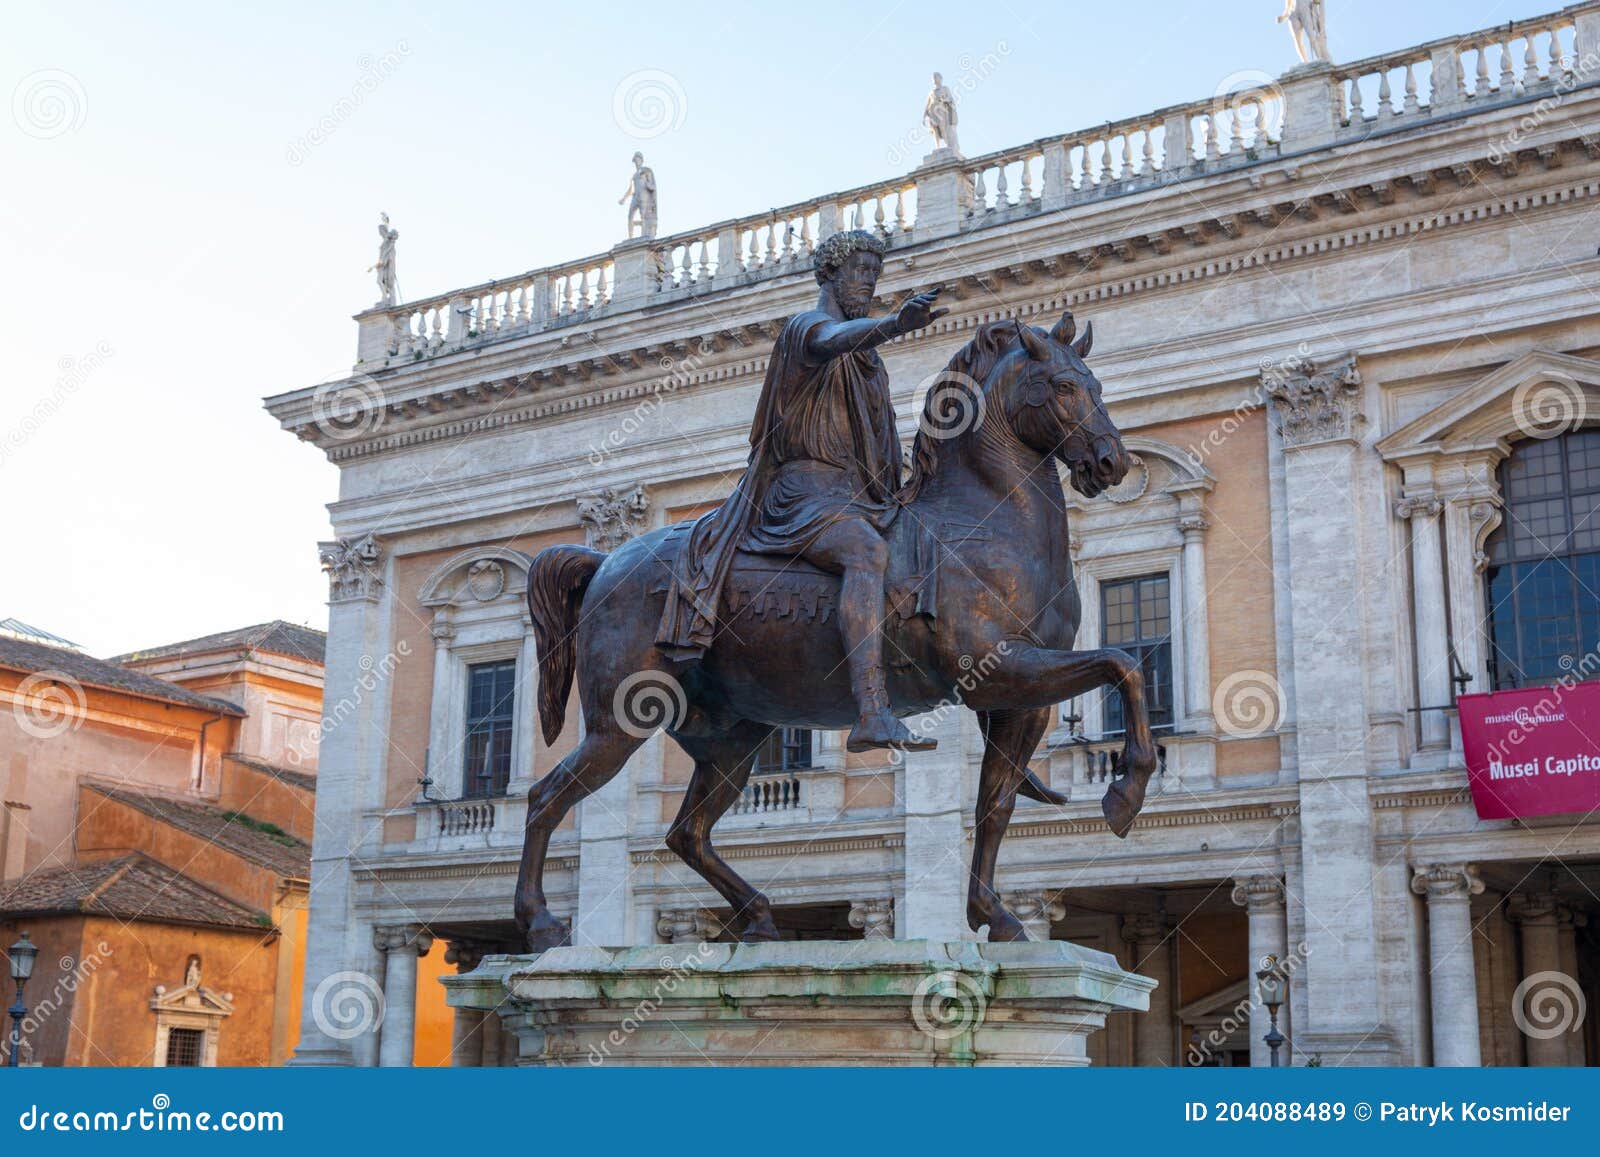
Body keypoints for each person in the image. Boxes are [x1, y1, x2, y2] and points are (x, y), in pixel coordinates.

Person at [656, 230, 948, 751]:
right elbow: (831, 338)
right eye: (860, 269)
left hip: (855, 495)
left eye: (874, 272)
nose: (869, 280)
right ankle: (873, 709)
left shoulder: (865, 359)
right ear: (828, 274)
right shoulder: (805, 330)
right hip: (803, 495)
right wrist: (893, 324)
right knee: (866, 552)